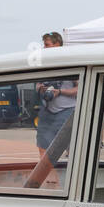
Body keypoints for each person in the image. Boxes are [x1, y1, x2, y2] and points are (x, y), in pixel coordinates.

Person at [35, 32, 77, 160]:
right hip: (46, 111)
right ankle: (47, 176)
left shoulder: (69, 63)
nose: (44, 48)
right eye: (44, 45)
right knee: (42, 146)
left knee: (70, 147)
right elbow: (37, 84)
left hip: (66, 112)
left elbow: (80, 88)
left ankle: (72, 177)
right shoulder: (44, 64)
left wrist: (60, 92)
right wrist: (40, 88)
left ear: (57, 44)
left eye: (47, 45)